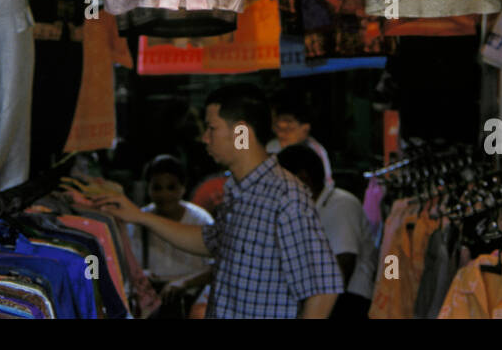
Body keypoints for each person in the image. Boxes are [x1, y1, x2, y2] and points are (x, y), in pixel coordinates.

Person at [91, 83, 342, 318]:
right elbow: (209, 240)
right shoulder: (239, 190)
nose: (205, 138)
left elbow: (323, 288)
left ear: (241, 133)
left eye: (212, 129)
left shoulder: (284, 195)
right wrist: (139, 216)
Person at [277, 143, 376, 319]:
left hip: (348, 305)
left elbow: (342, 268)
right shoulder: (306, 209)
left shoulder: (340, 204)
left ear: (303, 178)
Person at [129, 154, 213, 317]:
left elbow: (217, 266)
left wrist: (185, 283)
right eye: (157, 188)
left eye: (171, 187)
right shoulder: (140, 221)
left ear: (183, 188)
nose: (164, 195)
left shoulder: (200, 219)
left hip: (192, 301)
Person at [265, 89, 334, 188]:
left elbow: (325, 186)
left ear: (305, 128)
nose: (281, 134)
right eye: (277, 128)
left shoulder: (316, 151)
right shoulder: (271, 148)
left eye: (289, 129)